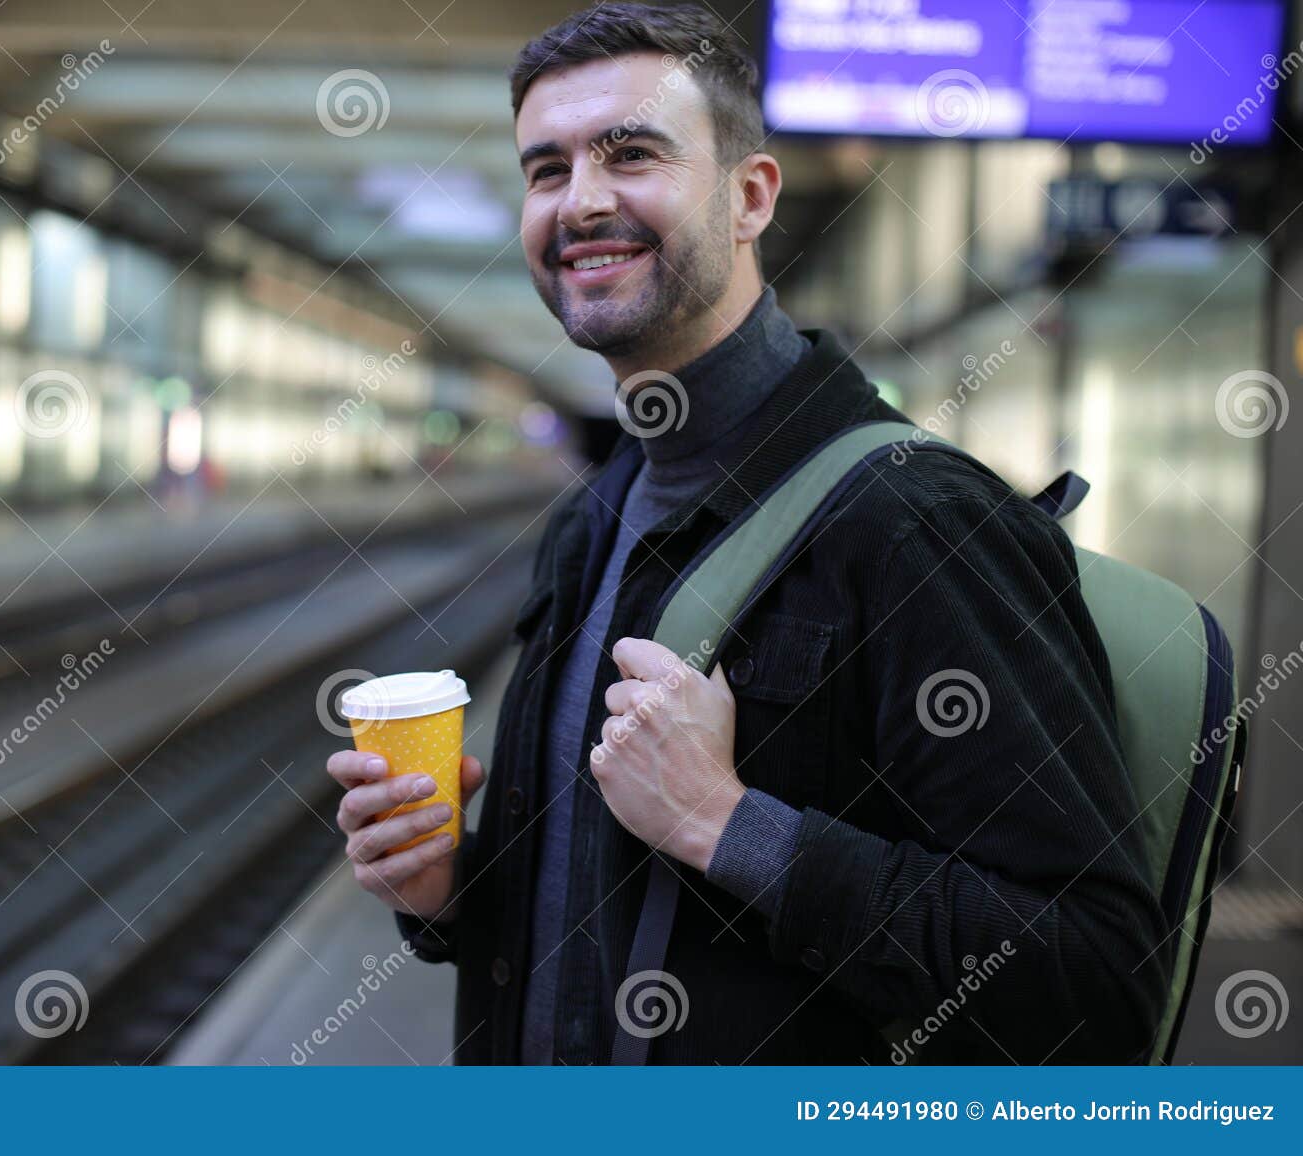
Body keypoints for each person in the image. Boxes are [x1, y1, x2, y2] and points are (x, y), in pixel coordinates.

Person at [326, 2, 1169, 1065]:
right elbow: (582, 928)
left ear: (749, 196)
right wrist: (448, 890)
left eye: (629, 154)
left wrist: (730, 824)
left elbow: (1096, 987)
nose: (580, 201)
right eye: (546, 170)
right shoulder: (590, 521)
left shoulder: (920, 524)